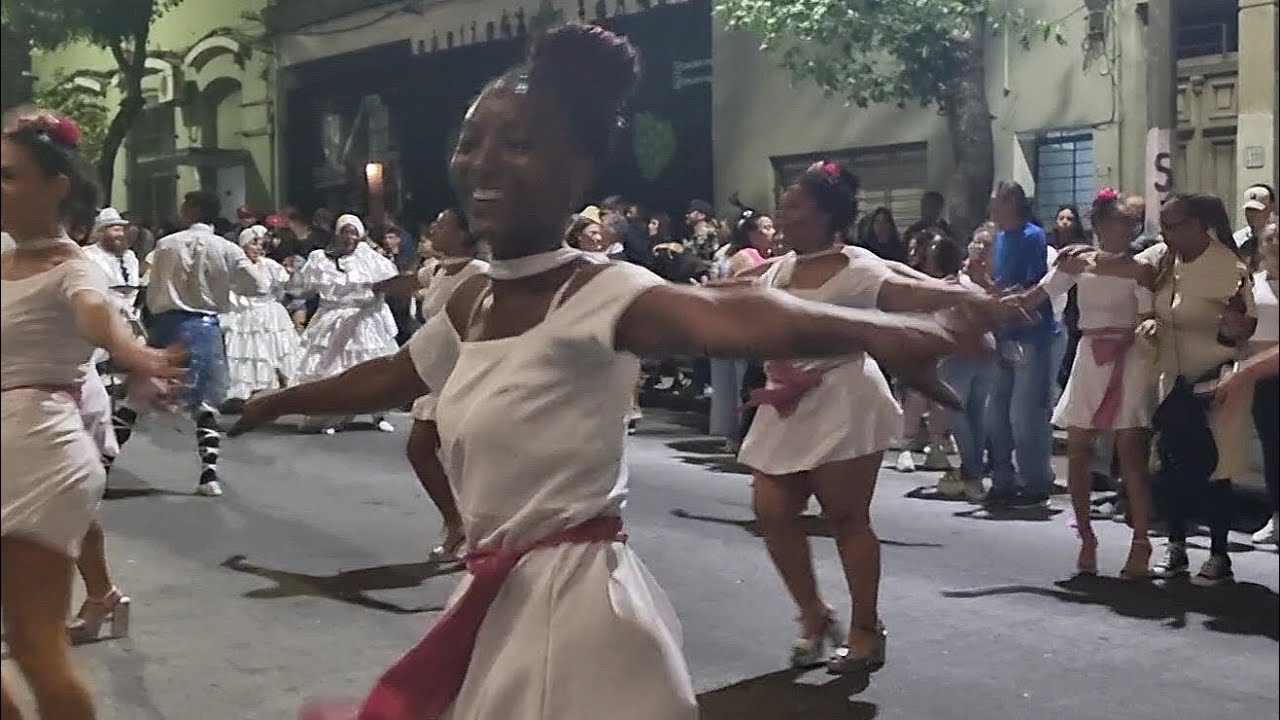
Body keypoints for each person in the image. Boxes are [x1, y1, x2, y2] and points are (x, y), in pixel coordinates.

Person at [233, 24, 979, 720]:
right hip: (498, 600)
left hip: (577, 611)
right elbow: (398, 376)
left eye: (518, 143)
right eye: (472, 141)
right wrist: (282, 399)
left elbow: (733, 318)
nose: (484, 161)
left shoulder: (599, 290)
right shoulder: (471, 297)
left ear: (578, 165)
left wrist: (887, 330)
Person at [734, 164, 1006, 676]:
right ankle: (814, 613)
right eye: (783, 206)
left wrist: (979, 303)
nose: (782, 216)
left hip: (843, 398)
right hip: (785, 400)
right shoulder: (776, 269)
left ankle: (865, 629)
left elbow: (917, 295)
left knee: (846, 519)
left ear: (825, 214)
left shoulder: (858, 268)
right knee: (770, 511)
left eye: (794, 207)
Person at [1, 109, 182, 720]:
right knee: (29, 643)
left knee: (35, 645)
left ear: (57, 187)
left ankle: (99, 597)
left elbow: (97, 318)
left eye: (8, 176)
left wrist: (136, 354)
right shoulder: (1, 260)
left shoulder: (75, 267)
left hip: (37, 450)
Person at [1061, 193, 1257, 585]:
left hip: (1216, 374)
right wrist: (1080, 254)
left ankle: (1219, 554)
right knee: (1169, 465)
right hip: (1171, 376)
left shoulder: (1228, 267)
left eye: (1174, 225)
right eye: (1163, 226)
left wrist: (1232, 328)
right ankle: (1177, 546)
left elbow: (1246, 323)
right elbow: (1122, 265)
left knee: (1218, 466)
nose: (1165, 233)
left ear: (1200, 225)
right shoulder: (1161, 257)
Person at [1006, 189, 1156, 577]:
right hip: (1090, 355)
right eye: (1116, 220)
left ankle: (1141, 543)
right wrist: (989, 306)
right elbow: (1039, 294)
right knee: (1078, 448)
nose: (1124, 227)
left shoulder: (1142, 266)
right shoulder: (1075, 262)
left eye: (1129, 222)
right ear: (1100, 224)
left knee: (1132, 455)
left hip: (1130, 355)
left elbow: (1149, 312)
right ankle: (1086, 538)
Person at [115, 190, 271, 497]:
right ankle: (208, 475)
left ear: (195, 209)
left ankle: (103, 465)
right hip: (205, 328)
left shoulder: (166, 244)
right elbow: (258, 285)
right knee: (205, 404)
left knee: (138, 396)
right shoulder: (226, 248)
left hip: (167, 325)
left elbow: (153, 285)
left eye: (186, 205)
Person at [409, 208, 488, 561]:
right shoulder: (439, 269)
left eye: (442, 225)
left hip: (467, 375)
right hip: (437, 376)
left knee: (470, 462)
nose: (434, 230)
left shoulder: (479, 273)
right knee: (420, 450)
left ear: (463, 233)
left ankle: (482, 533)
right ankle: (455, 523)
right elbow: (410, 282)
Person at [984, 181, 1061, 510]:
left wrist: (999, 295)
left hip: (1031, 335)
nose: (993, 209)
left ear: (1013, 203)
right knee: (995, 412)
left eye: (998, 202)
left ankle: (1035, 481)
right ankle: (1003, 477)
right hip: (1004, 333)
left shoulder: (1032, 236)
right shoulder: (999, 239)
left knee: (1025, 414)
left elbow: (1030, 284)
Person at [291, 213, 401, 434]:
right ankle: (333, 414)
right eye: (345, 232)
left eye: (353, 232)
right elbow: (304, 287)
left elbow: (388, 283)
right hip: (333, 317)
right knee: (334, 367)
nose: (349, 237)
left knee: (372, 365)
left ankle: (378, 413)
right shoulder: (321, 258)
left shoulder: (372, 258)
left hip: (364, 319)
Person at [937, 226, 999, 502]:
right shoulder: (966, 282)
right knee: (971, 415)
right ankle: (973, 471)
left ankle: (973, 472)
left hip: (967, 354)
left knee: (963, 414)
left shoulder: (950, 287)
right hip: (974, 353)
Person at [220, 225, 301, 402]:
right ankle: (249, 389)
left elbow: (285, 287)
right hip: (246, 314)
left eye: (261, 244)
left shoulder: (270, 265)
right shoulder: (237, 267)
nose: (258, 248)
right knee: (249, 352)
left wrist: (291, 275)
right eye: (253, 244)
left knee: (278, 349)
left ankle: (284, 385)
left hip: (271, 313)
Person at [1243, 215, 1277, 544]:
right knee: (1272, 447)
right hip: (1263, 378)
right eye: (1269, 238)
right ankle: (1276, 515)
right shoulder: (1254, 283)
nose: (1275, 243)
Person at [1233, 183, 1275, 270]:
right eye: (1249, 210)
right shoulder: (1239, 239)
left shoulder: (1276, 236)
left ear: (1271, 208)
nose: (1251, 215)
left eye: (1257, 210)